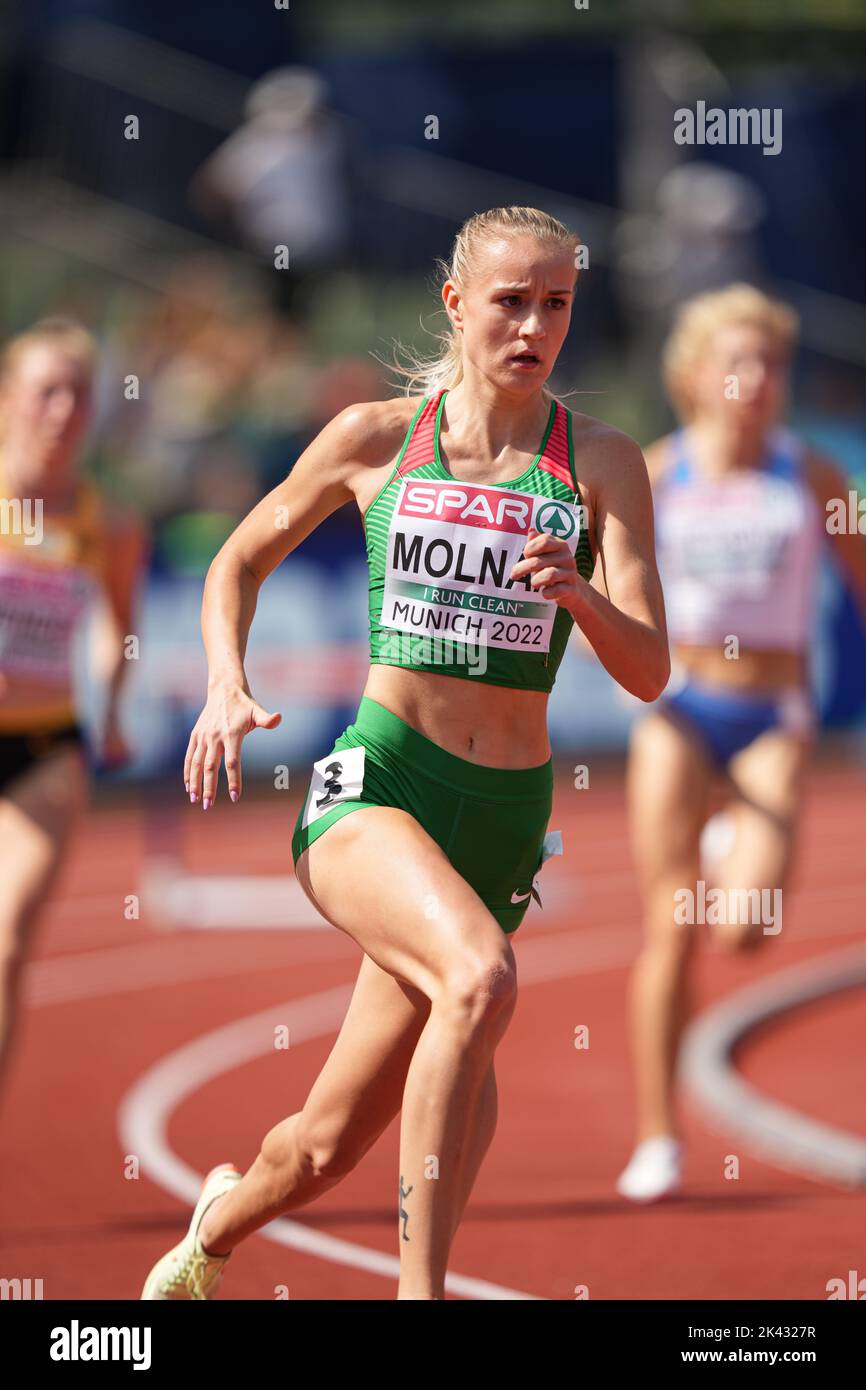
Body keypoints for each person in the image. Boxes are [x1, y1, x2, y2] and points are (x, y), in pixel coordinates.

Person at [141, 206, 669, 1302]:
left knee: (324, 1146)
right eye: (509, 301)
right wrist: (225, 685)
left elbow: (649, 666)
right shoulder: (376, 438)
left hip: (503, 815)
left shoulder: (602, 462)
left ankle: (211, 1234)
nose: (532, 325)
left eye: (556, 304)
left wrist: (579, 590)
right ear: (455, 303)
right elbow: (236, 561)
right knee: (479, 980)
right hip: (375, 787)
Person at [619, 284, 866, 1203]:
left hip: (774, 718)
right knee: (669, 929)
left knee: (746, 931)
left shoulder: (813, 477)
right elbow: (618, 591)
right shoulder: (656, 471)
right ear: (692, 374)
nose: (756, 379)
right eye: (737, 361)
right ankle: (657, 1135)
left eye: (771, 363)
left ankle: (732, 848)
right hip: (683, 708)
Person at [0, 318, 146, 1098]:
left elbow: (119, 628)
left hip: (45, 750)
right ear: (8, 399)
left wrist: (111, 703)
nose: (62, 411)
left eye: (78, 395)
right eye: (45, 392)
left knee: (6, 944)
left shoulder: (108, 522)